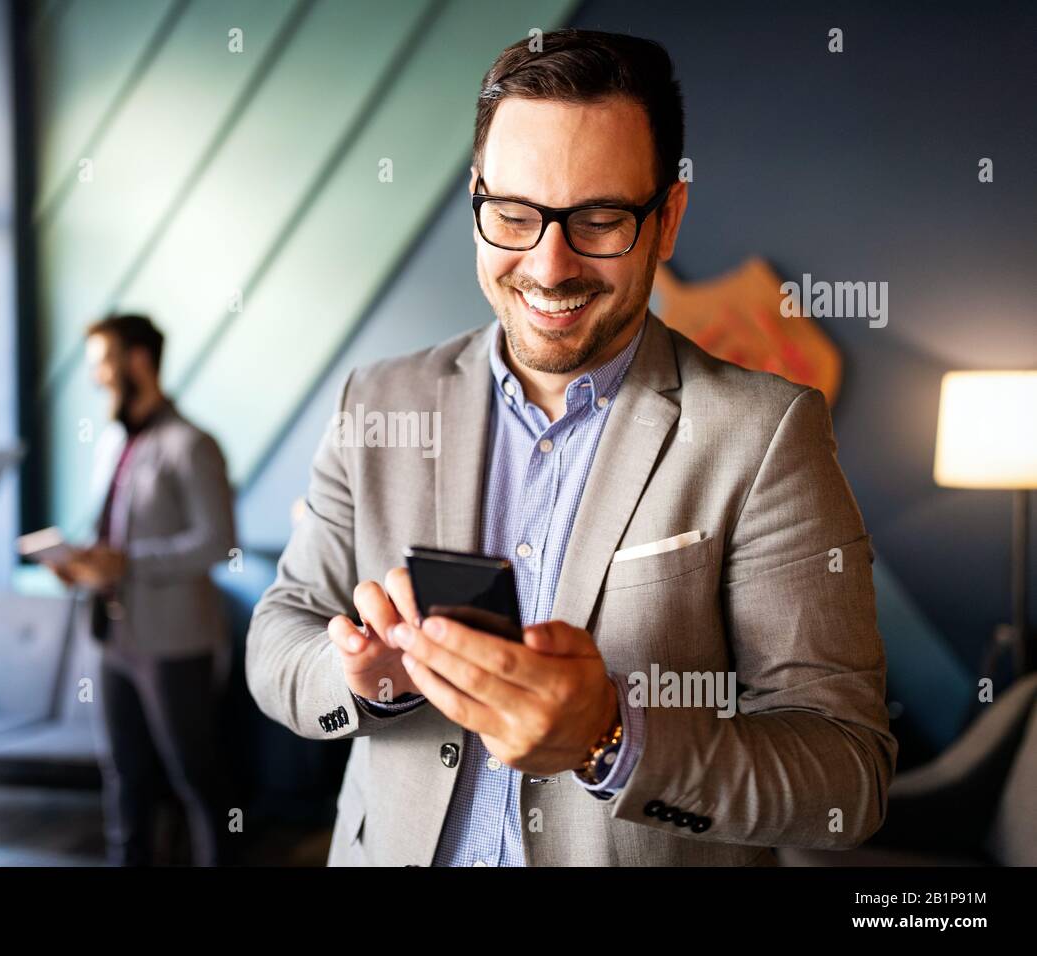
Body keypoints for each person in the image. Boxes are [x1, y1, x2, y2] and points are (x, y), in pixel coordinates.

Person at [246, 29, 897, 866]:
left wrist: (608, 737)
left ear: (667, 221)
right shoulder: (377, 401)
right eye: (514, 215)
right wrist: (365, 676)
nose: (549, 267)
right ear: (475, 199)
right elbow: (279, 634)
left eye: (598, 220)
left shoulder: (765, 434)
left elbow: (848, 776)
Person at [47, 314, 236, 866]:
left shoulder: (193, 444)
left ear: (138, 361)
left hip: (176, 640)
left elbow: (218, 543)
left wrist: (125, 563)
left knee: (196, 778)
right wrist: (80, 562)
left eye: (102, 362)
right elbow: (114, 532)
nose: (96, 377)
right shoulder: (112, 443)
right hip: (112, 637)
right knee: (125, 778)